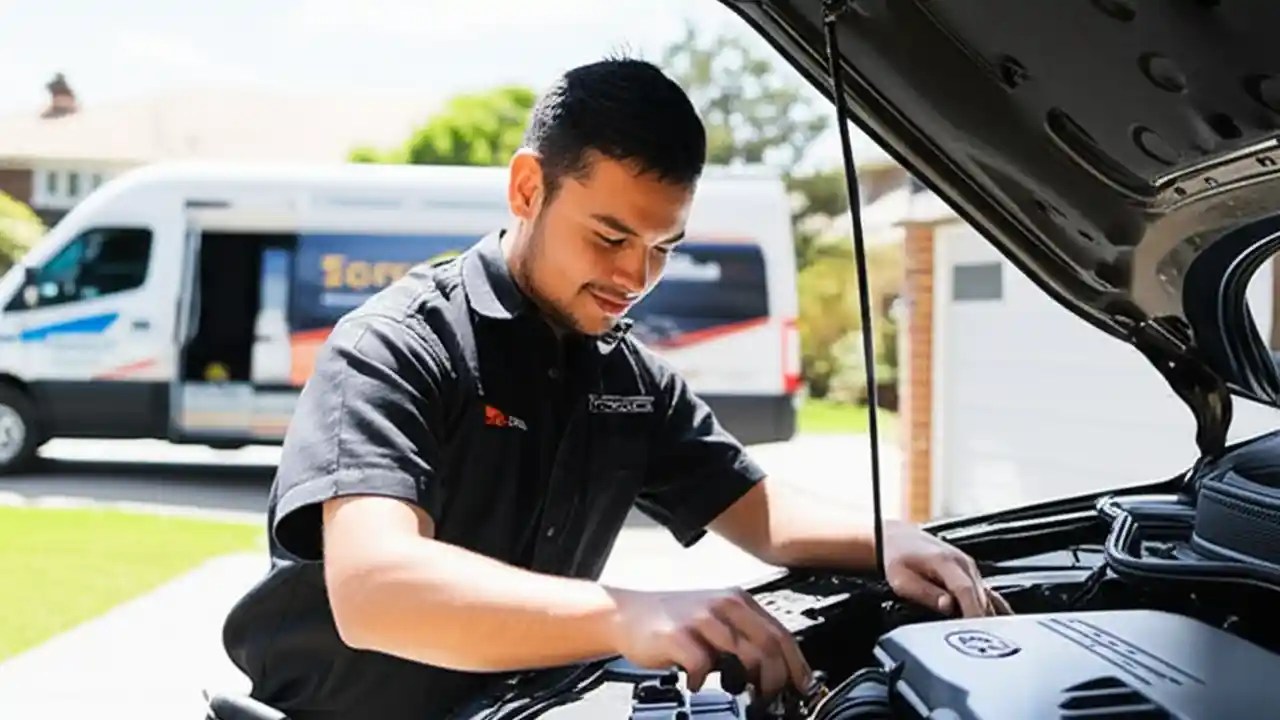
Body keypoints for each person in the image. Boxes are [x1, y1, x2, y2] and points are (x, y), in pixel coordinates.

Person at [220, 56, 1011, 720]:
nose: (637, 278)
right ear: (528, 188)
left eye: (664, 246)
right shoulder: (395, 346)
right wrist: (631, 613)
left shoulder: (624, 377)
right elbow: (376, 590)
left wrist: (887, 537)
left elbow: (760, 511)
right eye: (611, 237)